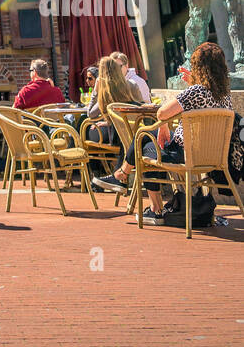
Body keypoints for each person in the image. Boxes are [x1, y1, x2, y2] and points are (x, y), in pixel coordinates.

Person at [93, 42, 241, 224]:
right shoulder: (224, 95)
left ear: (199, 67)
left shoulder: (195, 91)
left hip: (184, 154)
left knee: (145, 142)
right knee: (148, 137)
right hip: (213, 157)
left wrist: (163, 125)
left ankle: (150, 204)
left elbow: (162, 112)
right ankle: (122, 176)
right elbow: (201, 99)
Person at [85, 55, 144, 145]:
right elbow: (140, 105)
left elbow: (91, 114)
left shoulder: (106, 91)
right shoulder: (132, 84)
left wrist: (95, 91)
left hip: (115, 135)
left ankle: (86, 158)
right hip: (134, 131)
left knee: (85, 129)